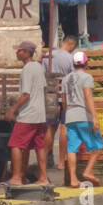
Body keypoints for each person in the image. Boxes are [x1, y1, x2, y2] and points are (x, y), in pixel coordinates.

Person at [7, 41, 49, 187]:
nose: (16, 53)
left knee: (16, 145)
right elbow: (42, 89)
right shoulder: (38, 67)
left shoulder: (27, 69)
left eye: (19, 51)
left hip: (28, 115)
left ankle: (17, 177)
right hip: (40, 114)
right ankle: (43, 177)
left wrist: (13, 109)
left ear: (25, 52)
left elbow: (26, 95)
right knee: (39, 146)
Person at [62, 51, 103, 187]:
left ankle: (73, 179)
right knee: (98, 146)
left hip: (70, 116)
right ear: (86, 63)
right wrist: (95, 117)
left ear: (73, 64)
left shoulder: (65, 79)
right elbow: (88, 97)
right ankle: (88, 172)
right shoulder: (87, 77)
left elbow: (63, 101)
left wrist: (67, 114)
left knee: (72, 148)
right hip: (84, 116)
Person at [43, 35, 77, 168]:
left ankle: (44, 160)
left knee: (50, 128)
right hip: (64, 96)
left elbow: (43, 74)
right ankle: (62, 162)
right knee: (64, 127)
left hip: (50, 95)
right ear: (71, 44)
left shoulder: (48, 55)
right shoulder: (69, 58)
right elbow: (72, 79)